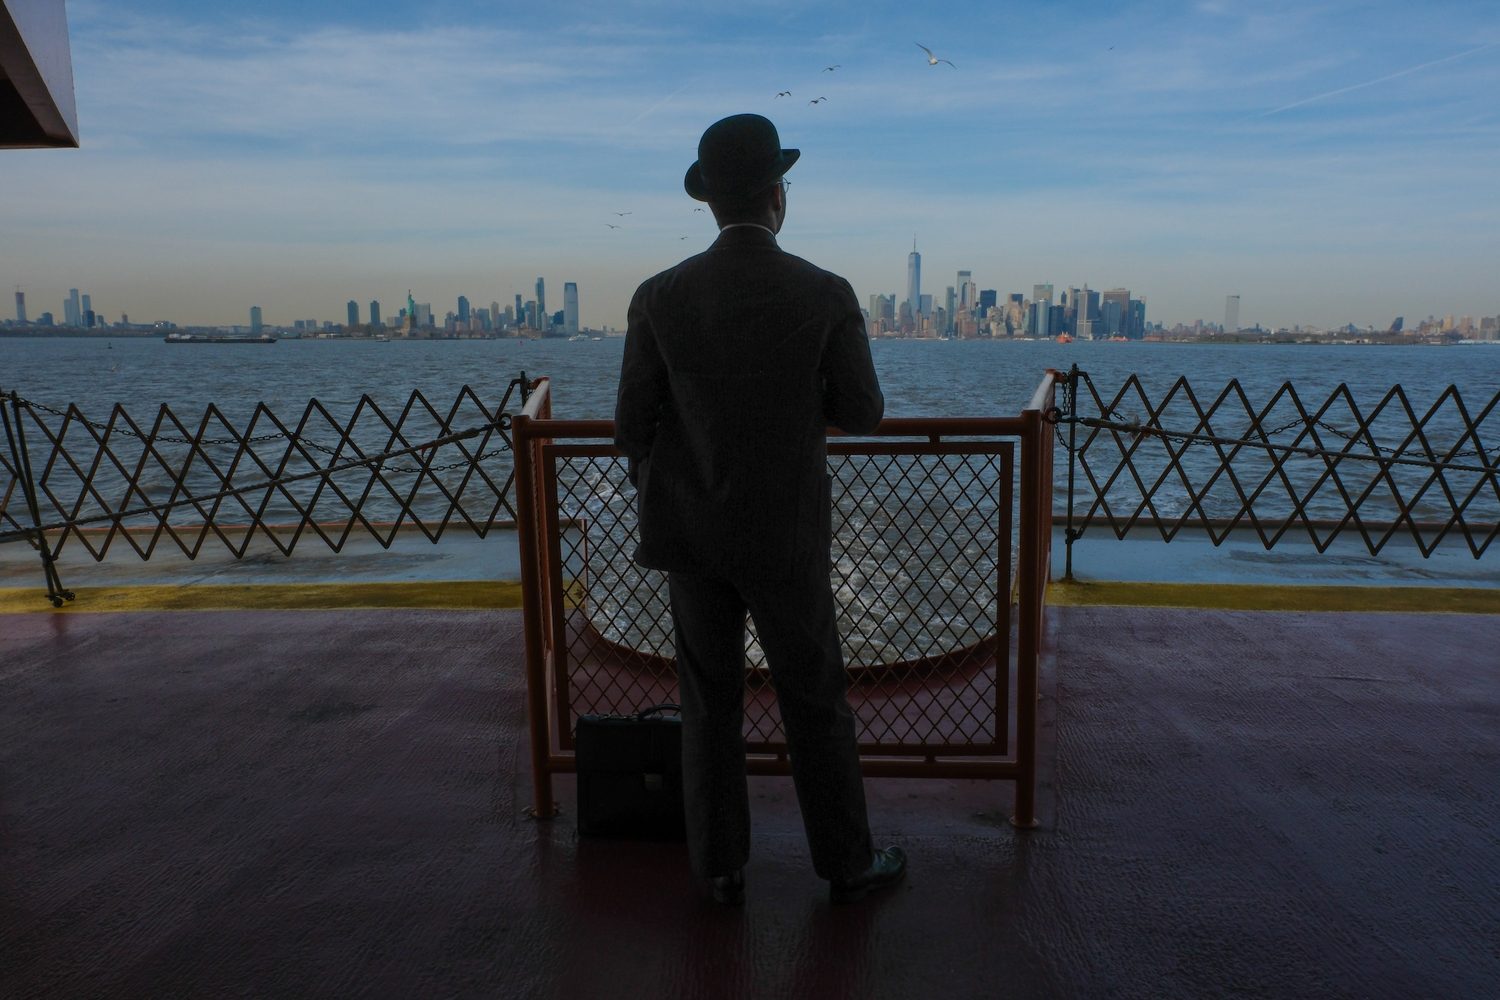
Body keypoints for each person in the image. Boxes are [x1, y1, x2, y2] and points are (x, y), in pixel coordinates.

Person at [614, 113, 907, 905]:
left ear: (709, 201)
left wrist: (673, 473)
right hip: (787, 535)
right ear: (778, 195)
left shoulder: (659, 296)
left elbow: (628, 425)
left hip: (689, 534)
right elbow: (866, 410)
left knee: (708, 706)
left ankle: (718, 868)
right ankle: (846, 862)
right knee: (815, 701)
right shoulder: (825, 291)